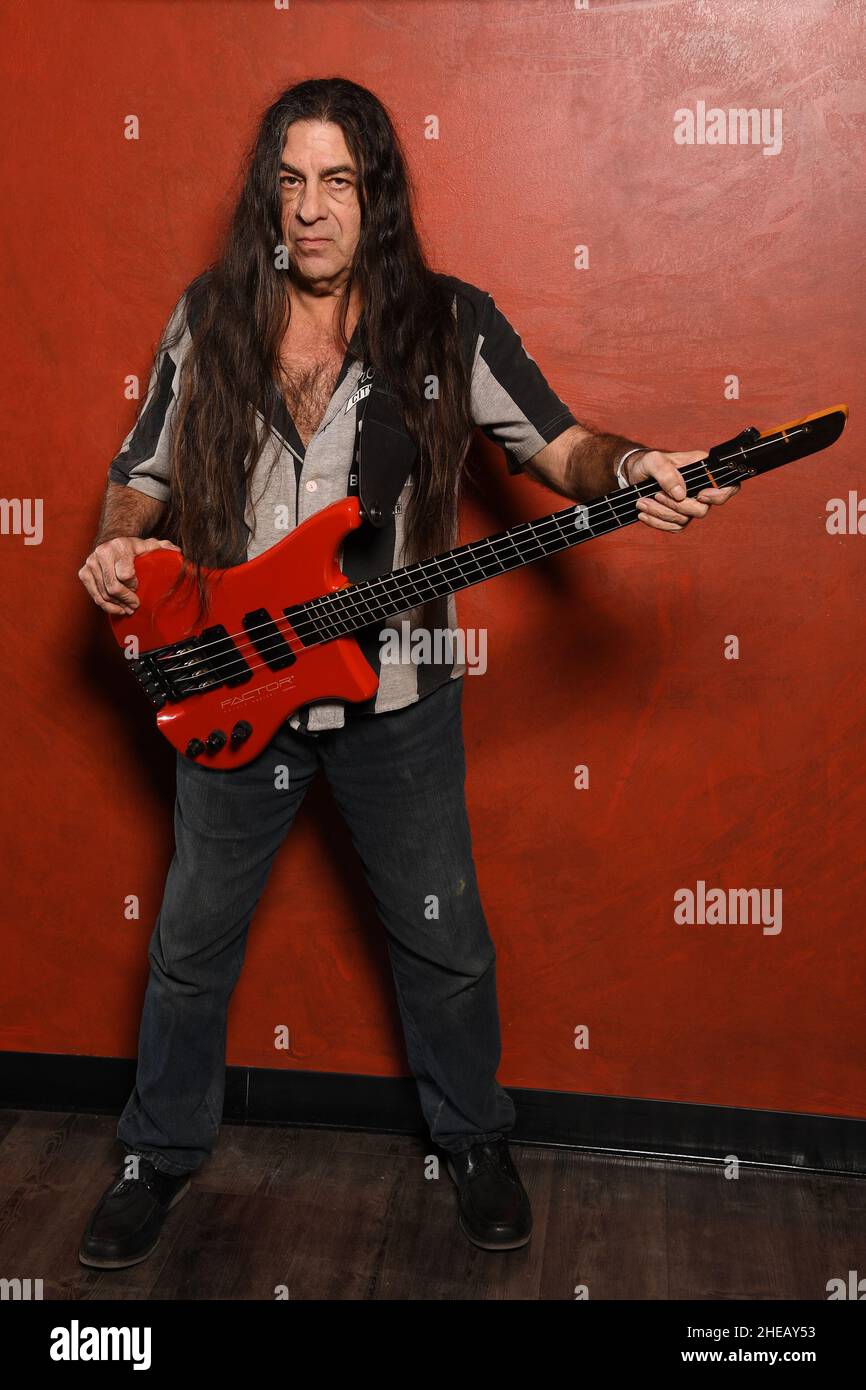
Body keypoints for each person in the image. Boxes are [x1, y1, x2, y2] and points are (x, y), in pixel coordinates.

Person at [77, 77, 738, 1269]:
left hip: (400, 697)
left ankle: (473, 1142)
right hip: (233, 685)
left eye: (337, 181)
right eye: (290, 181)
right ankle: (156, 1157)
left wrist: (639, 463)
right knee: (186, 945)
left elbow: (561, 444)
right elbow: (142, 471)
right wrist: (121, 542)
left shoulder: (449, 323)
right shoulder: (211, 316)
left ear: (373, 194)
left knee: (444, 941)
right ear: (267, 197)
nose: (311, 208)